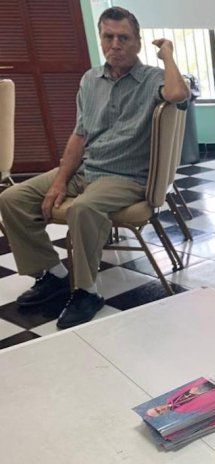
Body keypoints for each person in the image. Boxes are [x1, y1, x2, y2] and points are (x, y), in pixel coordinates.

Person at [0, 6, 189, 329]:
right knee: (11, 199)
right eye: (108, 36)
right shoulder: (90, 80)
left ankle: (87, 291)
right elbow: (79, 137)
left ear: (137, 43)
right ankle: (54, 274)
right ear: (101, 40)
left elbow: (178, 93)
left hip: (126, 177)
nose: (116, 44)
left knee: (84, 209)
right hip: (87, 170)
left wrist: (168, 55)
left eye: (124, 38)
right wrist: (60, 181)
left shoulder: (152, 79)